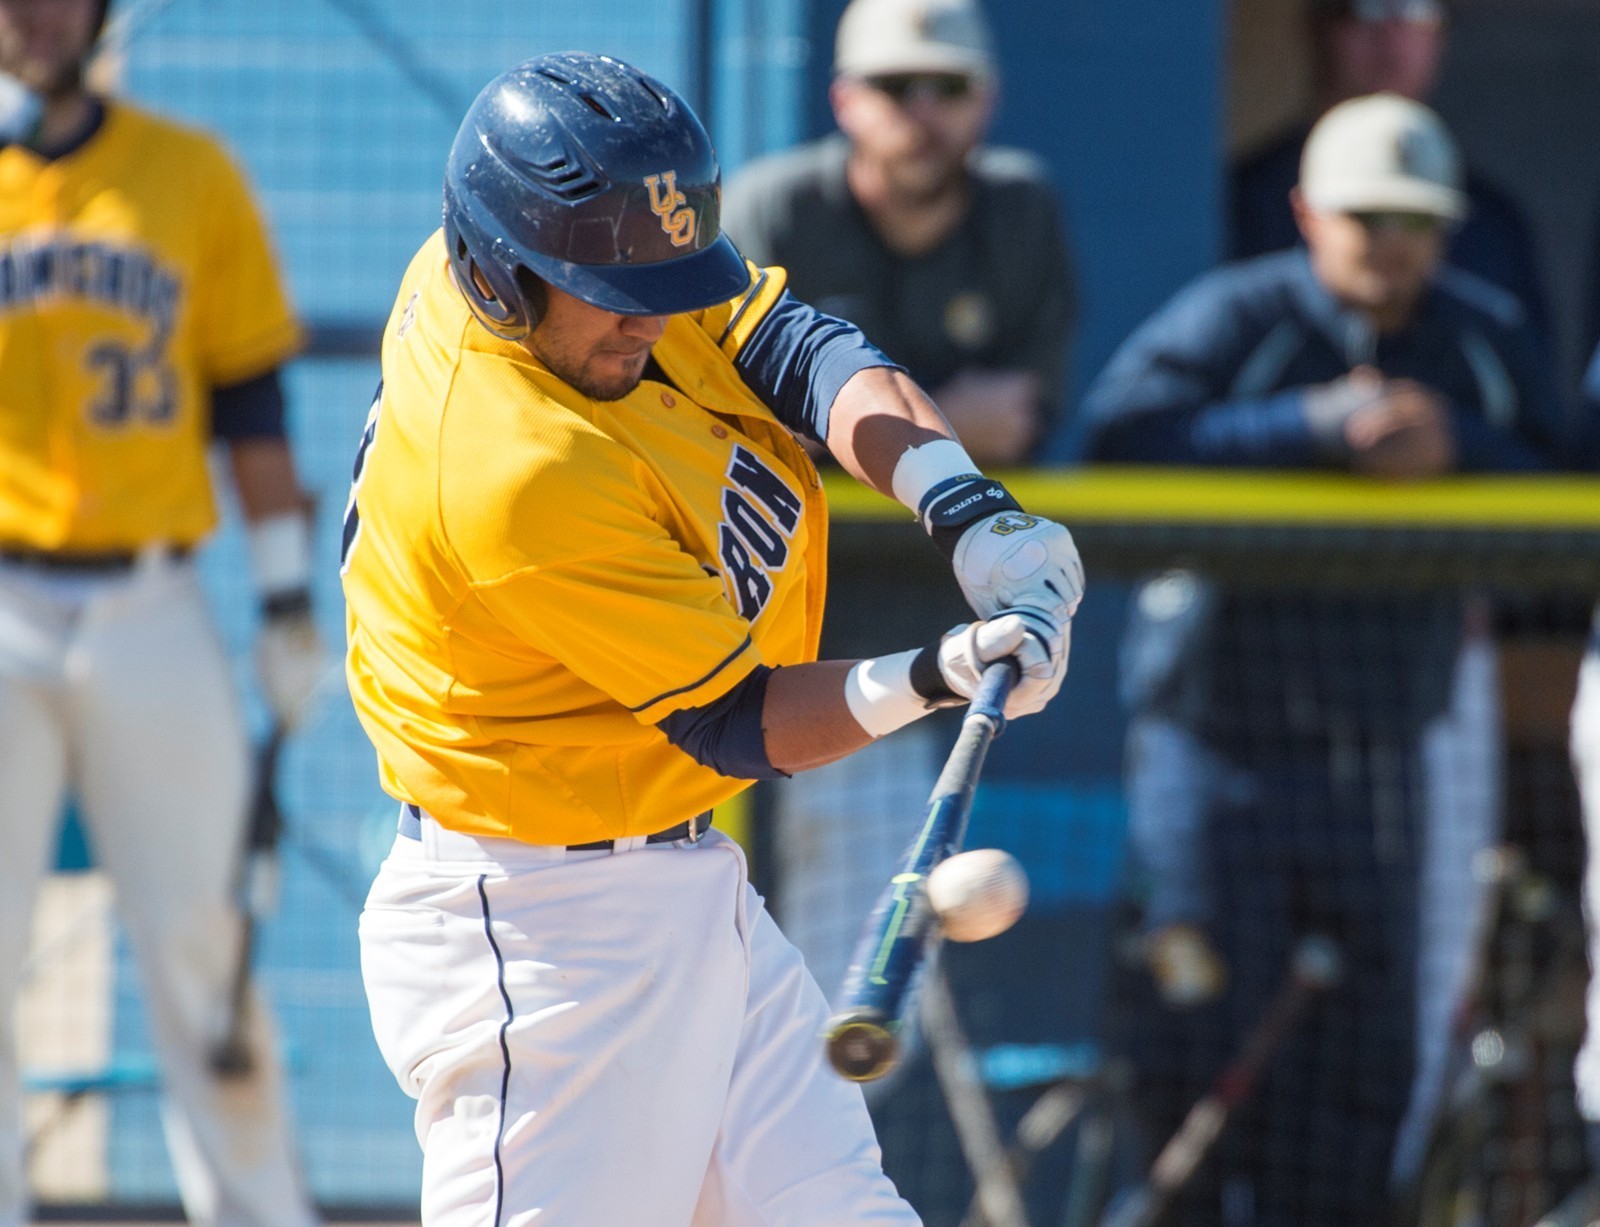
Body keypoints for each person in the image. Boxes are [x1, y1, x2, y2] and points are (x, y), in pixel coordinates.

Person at [344, 51, 1081, 1225]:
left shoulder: (587, 279)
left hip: (678, 883)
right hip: (543, 944)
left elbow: (801, 348)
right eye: (614, 292)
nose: (656, 318)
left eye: (667, 280)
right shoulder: (510, 472)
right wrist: (942, 671)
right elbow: (740, 721)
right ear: (498, 275)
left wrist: (964, 507)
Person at [1084, 93, 1563, 1226]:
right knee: (1187, 1037)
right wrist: (1309, 427)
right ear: (1305, 212)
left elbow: (1559, 478)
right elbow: (1117, 444)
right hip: (1215, 748)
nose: (1388, 243)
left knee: (1361, 1059)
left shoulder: (1478, 334)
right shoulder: (1236, 317)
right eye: (1364, 217)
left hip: (1386, 752)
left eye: (1413, 219)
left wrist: (1461, 450)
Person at [0, 0, 327, 1223]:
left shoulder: (187, 175)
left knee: (204, 951)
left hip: (148, 599)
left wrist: (289, 596)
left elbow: (249, 400)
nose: (35, 17)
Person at [721, 0, 1075, 1008]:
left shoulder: (1019, 213)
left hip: (889, 659)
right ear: (843, 100)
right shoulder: (774, 210)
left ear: (985, 102)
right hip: (730, 643)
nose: (921, 110)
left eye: (947, 88)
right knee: (700, 978)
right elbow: (727, 427)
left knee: (851, 999)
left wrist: (843, 436)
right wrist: (939, 415)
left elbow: (1027, 413)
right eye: (893, 87)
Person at [1231, 0, 1549, 340]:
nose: (1391, 32)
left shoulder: (1492, 221)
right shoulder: (1248, 200)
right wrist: (1309, 397)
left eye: (1417, 11)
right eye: (1367, 9)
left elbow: (1529, 377)